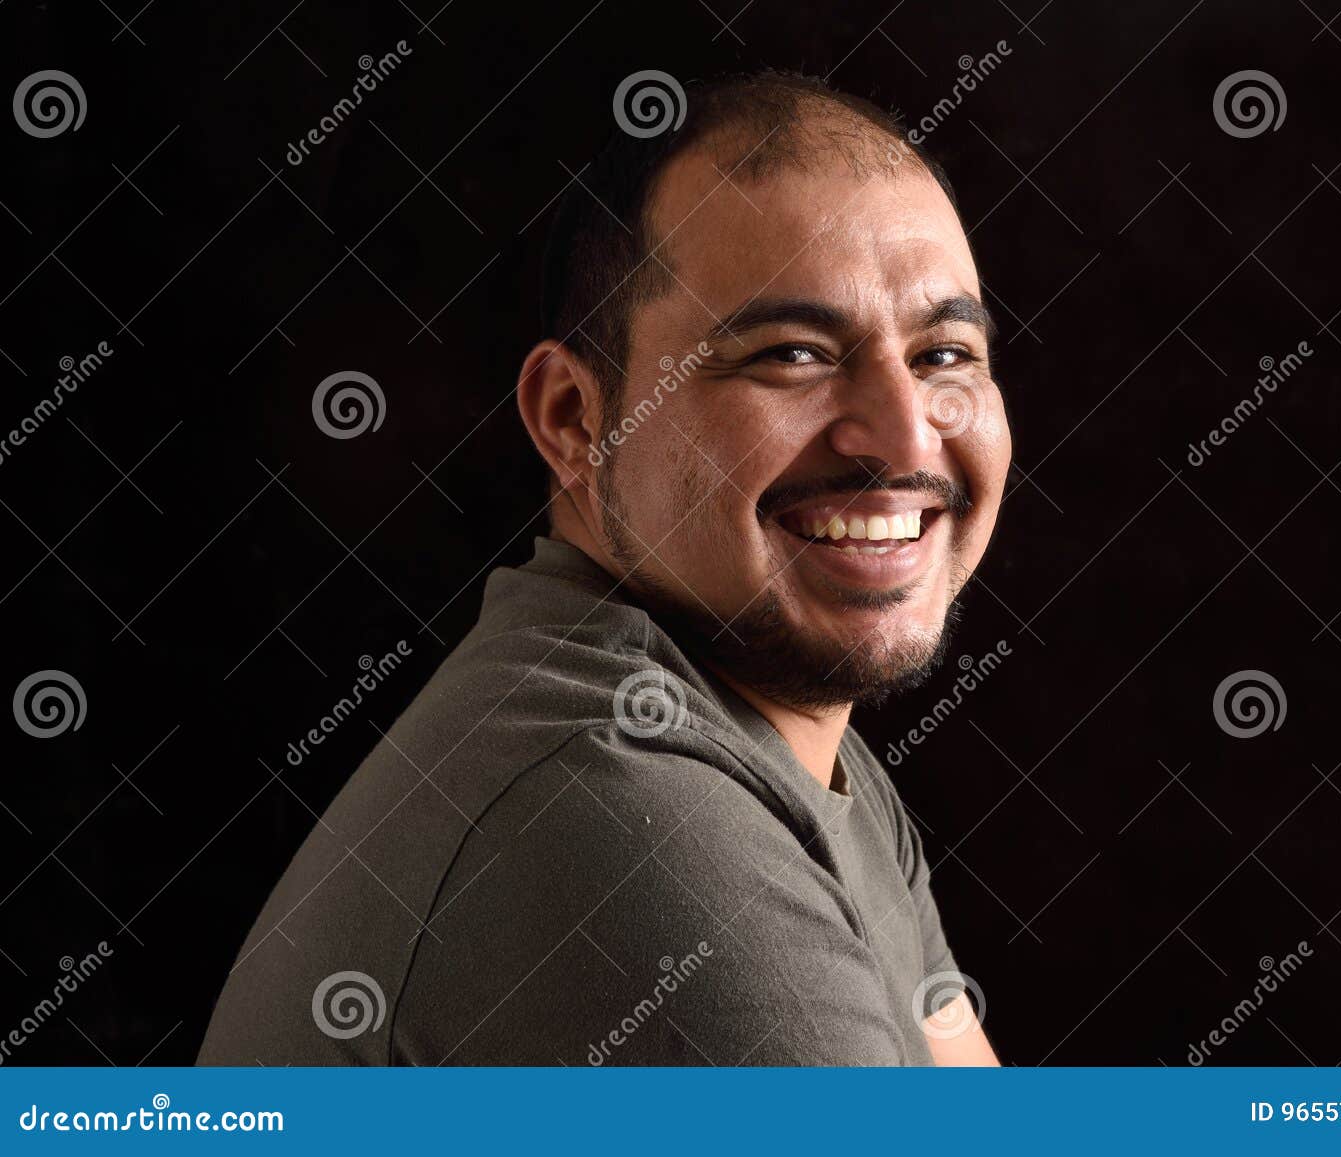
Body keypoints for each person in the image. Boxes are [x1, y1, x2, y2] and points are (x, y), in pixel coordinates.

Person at [199, 69, 1010, 1066]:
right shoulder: (624, 821)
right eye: (791, 353)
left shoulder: (796, 758)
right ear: (575, 419)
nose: (901, 437)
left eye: (944, 355)